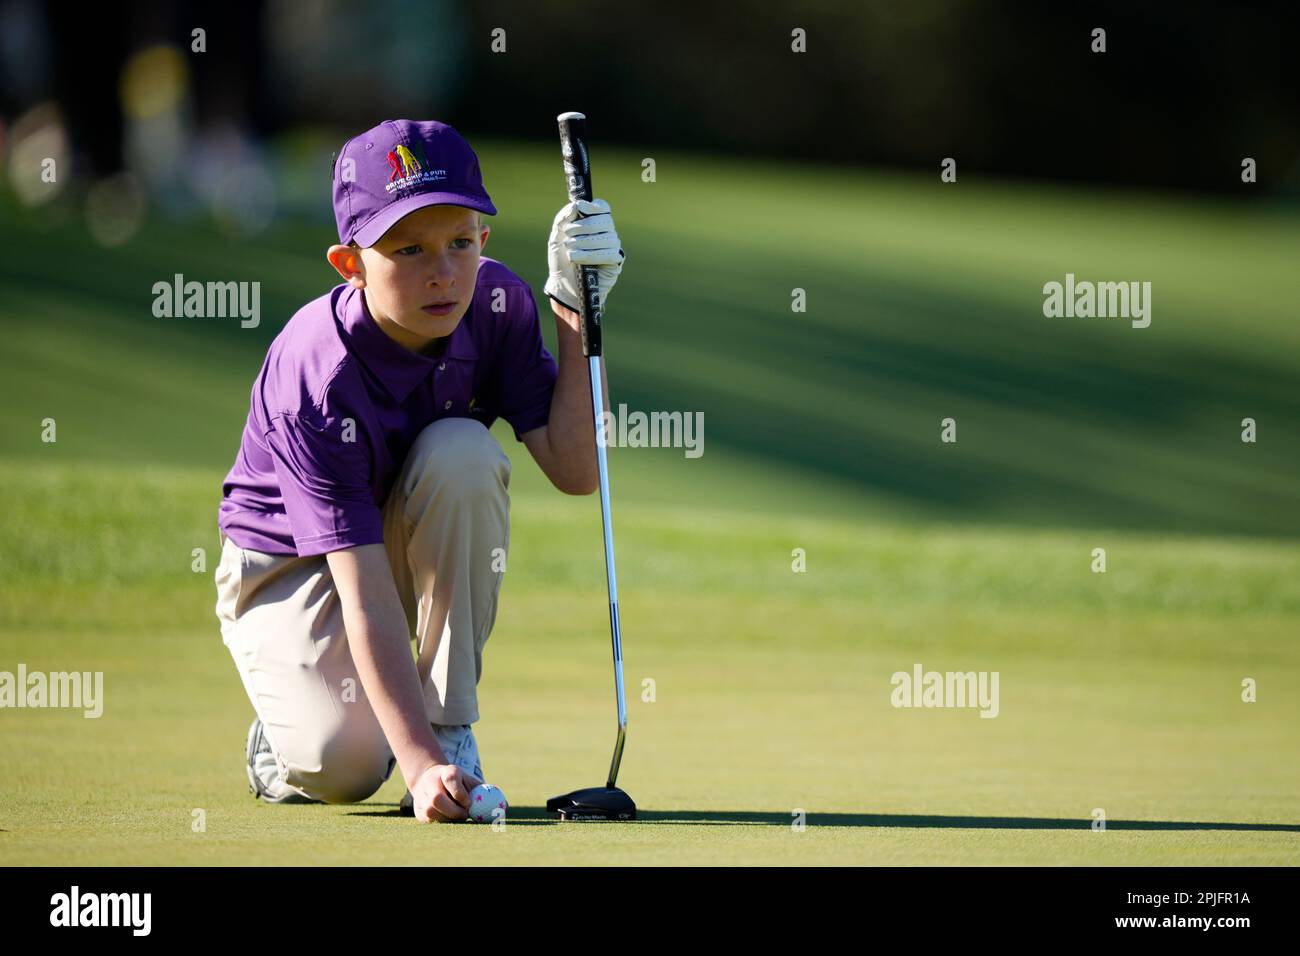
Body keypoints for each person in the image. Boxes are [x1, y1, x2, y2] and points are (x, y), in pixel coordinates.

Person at [213, 119, 624, 823]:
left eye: (460, 242)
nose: (443, 272)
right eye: (408, 249)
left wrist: (575, 311)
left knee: (464, 453)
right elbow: (364, 593)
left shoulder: (496, 306)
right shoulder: (319, 377)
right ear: (350, 264)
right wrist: (415, 769)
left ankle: (452, 730)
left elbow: (577, 469)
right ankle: (285, 738)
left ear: (483, 241)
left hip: (400, 538)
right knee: (346, 767)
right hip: (288, 568)